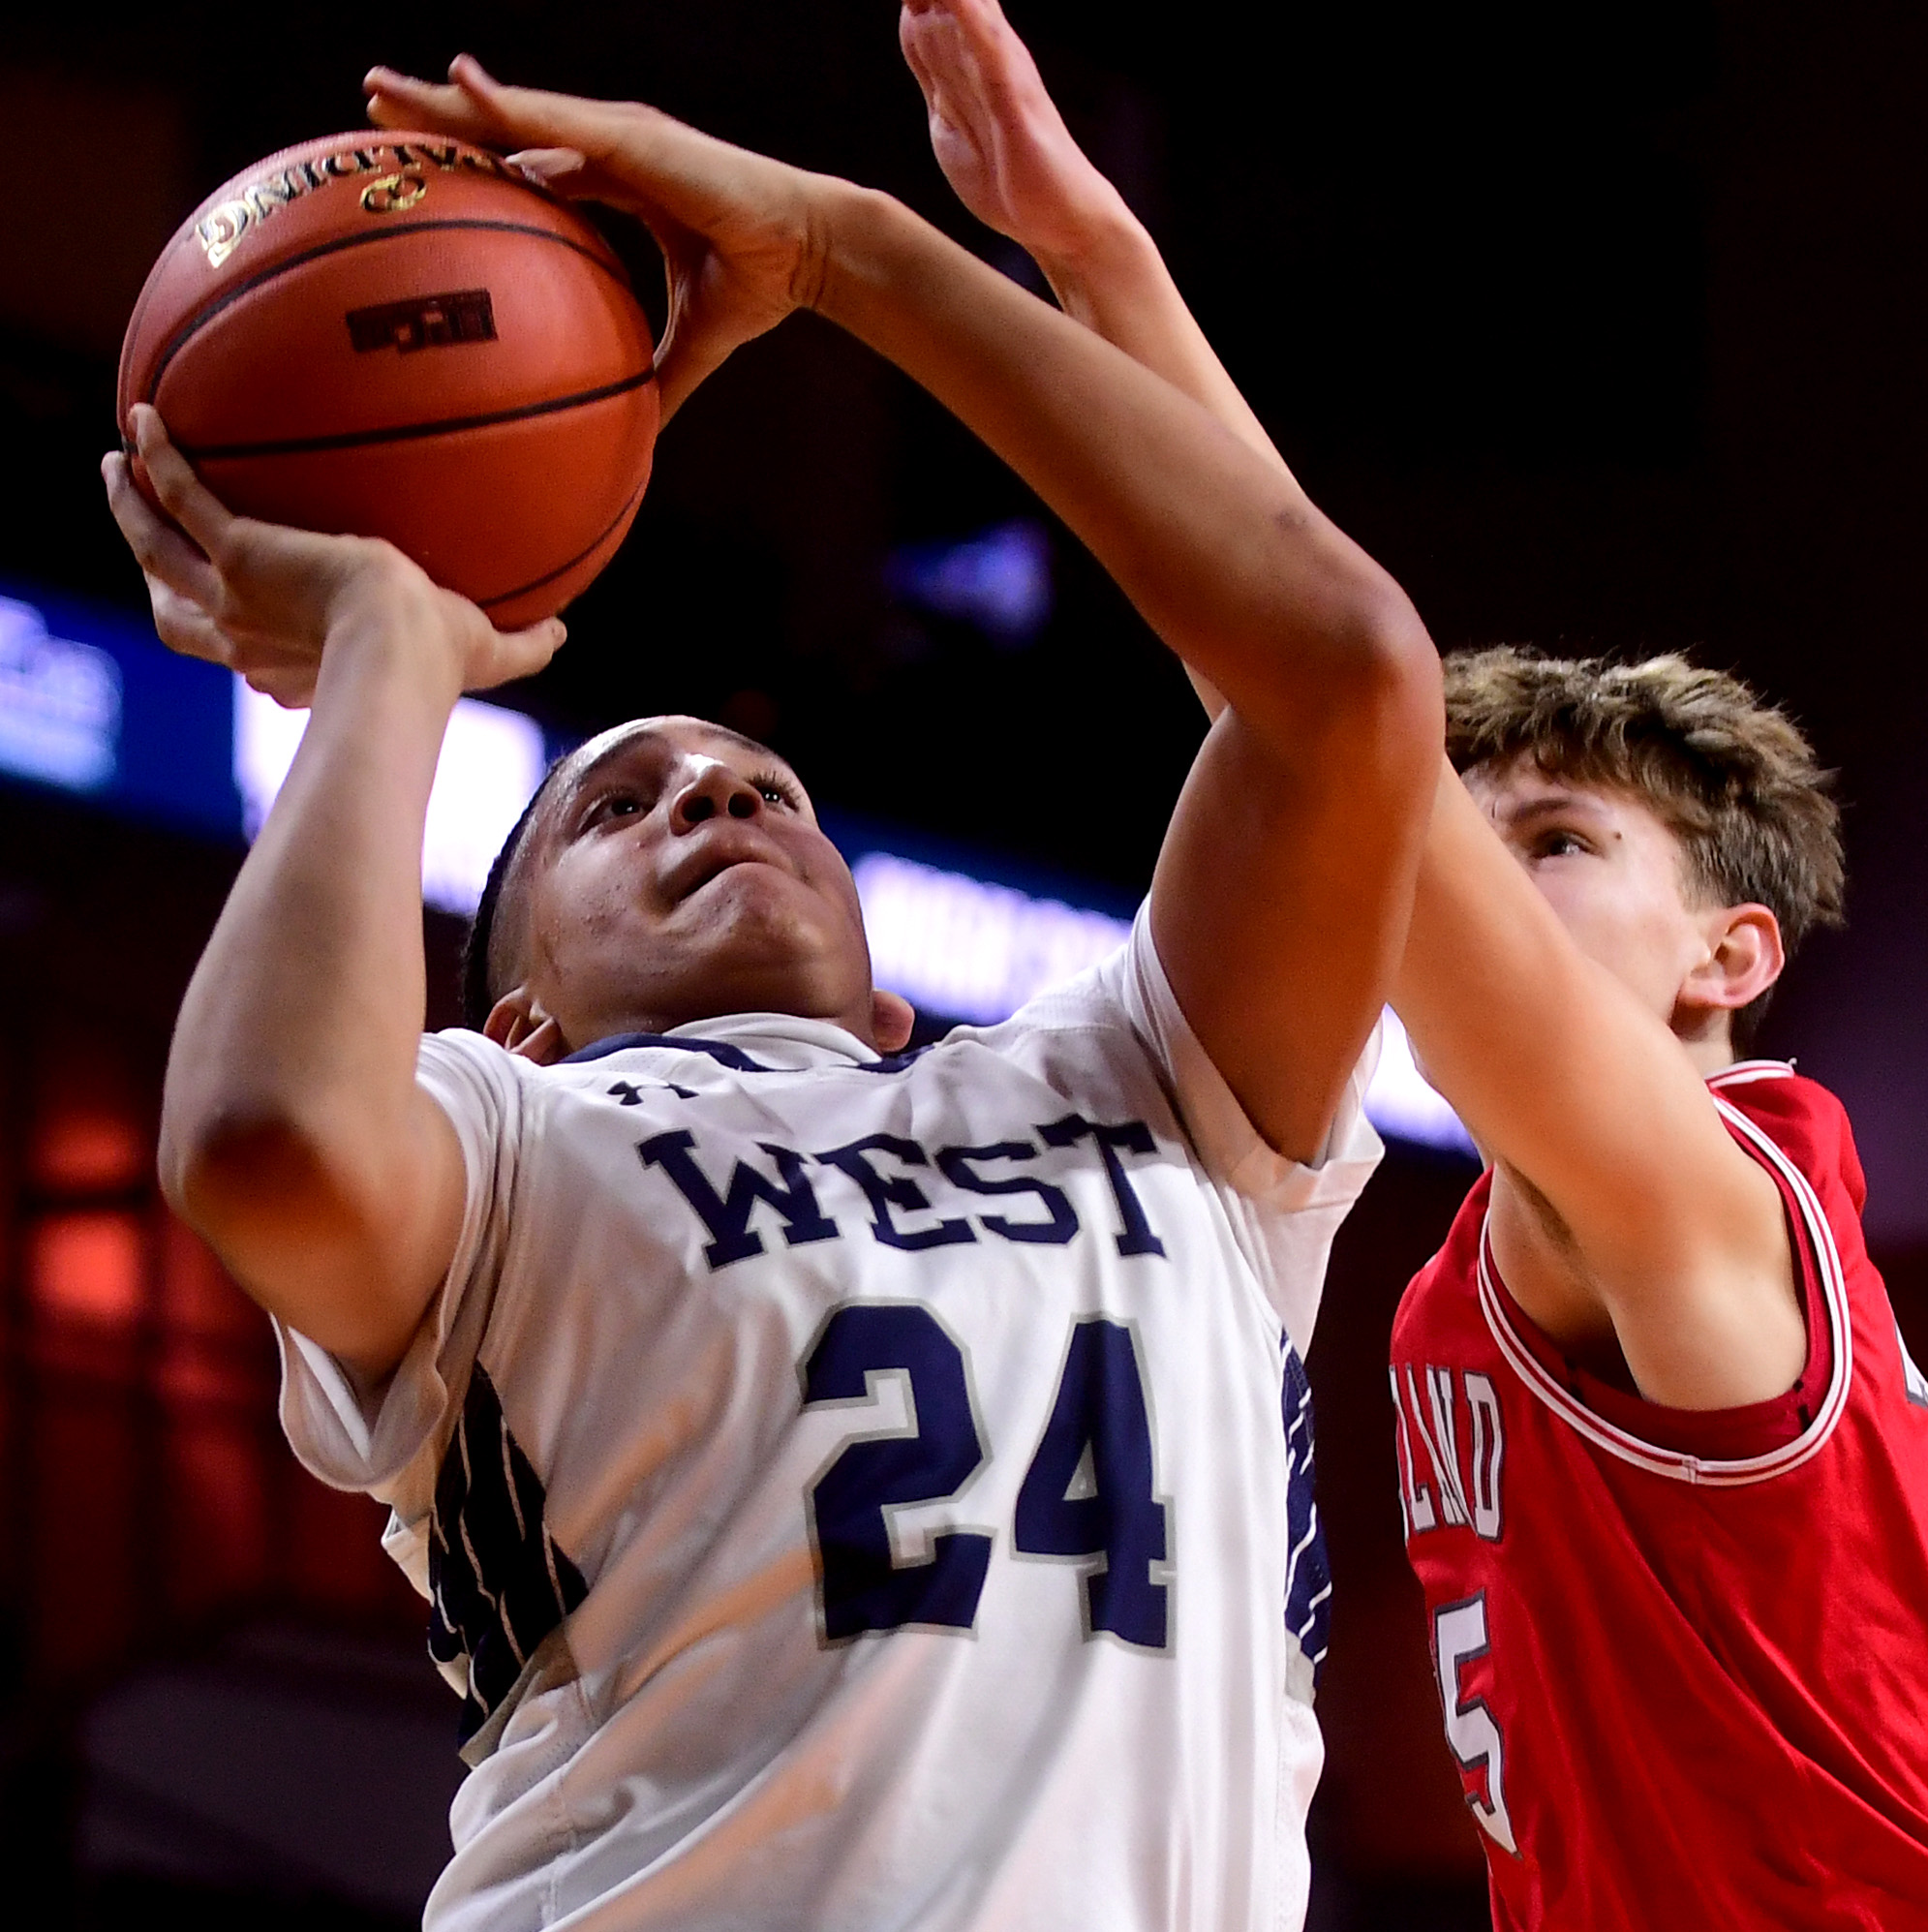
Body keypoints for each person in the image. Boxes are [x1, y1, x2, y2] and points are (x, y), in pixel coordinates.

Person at [102, 50, 1443, 1932]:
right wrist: (387, 657)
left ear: (895, 1002)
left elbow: (1344, 678)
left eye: (759, 786)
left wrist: (849, 252)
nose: (713, 792)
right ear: (520, 1017)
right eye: (612, 803)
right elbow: (262, 1141)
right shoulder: (511, 1136)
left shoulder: (1126, 1076)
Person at [898, 0, 1928, 1920]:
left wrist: (1049, 265)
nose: (1465, 875)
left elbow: (1318, 685)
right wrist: (1093, 258)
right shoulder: (1538, 1264)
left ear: (1720, 952)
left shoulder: (1686, 1191)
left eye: (1556, 843)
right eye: (1466, 836)